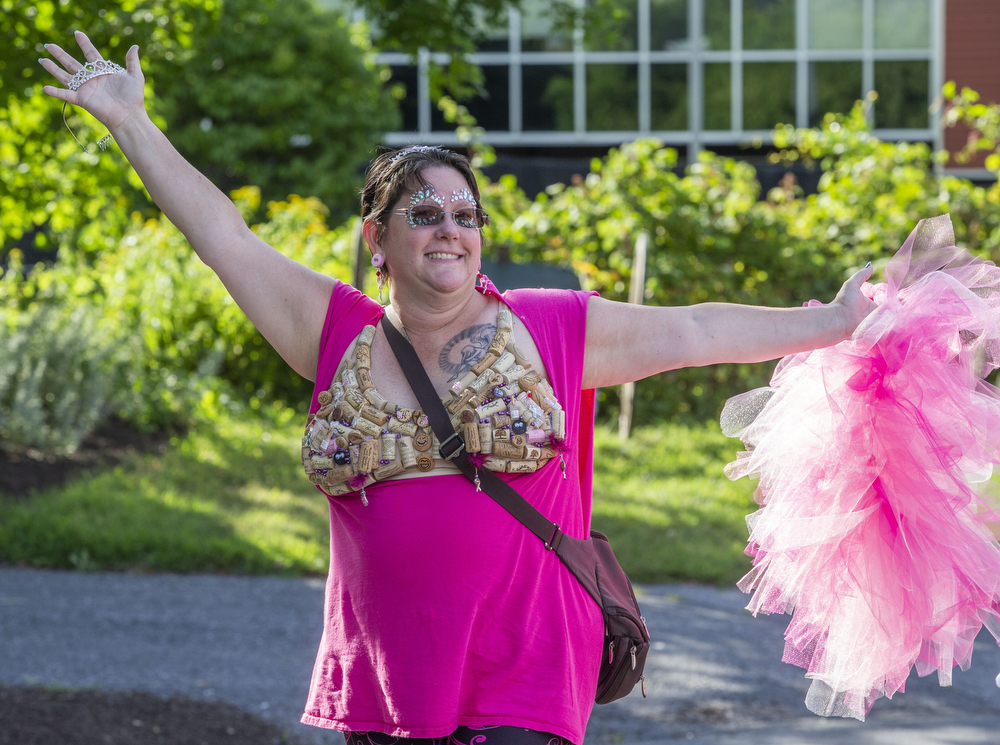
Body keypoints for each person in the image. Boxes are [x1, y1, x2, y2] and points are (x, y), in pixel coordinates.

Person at [40, 32, 875, 745]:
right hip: (381, 677)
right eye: (426, 213)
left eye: (466, 215)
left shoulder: (550, 326)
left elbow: (695, 330)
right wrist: (131, 122)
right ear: (378, 236)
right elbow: (220, 233)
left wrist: (833, 321)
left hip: (527, 667)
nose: (451, 229)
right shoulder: (331, 331)